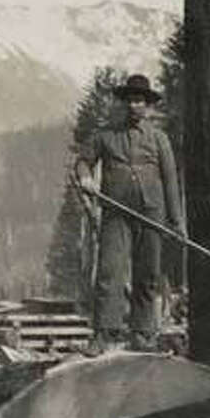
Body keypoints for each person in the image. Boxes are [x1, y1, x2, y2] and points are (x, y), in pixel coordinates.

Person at [74, 73, 184, 354]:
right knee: (109, 272)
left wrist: (176, 221)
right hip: (116, 214)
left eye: (140, 101)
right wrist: (86, 177)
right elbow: (83, 161)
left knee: (147, 275)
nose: (136, 105)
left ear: (148, 105)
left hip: (152, 214)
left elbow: (170, 181)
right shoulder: (106, 135)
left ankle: (142, 334)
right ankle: (103, 333)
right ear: (125, 103)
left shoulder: (159, 139)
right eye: (131, 100)